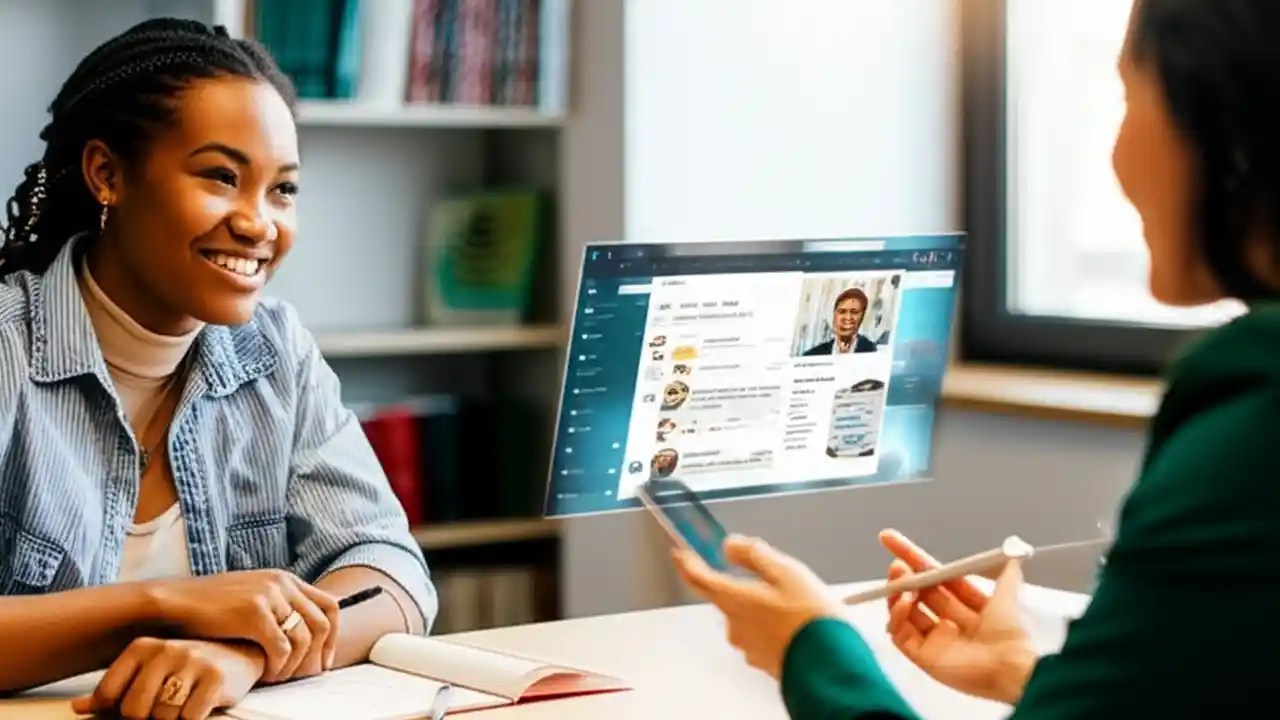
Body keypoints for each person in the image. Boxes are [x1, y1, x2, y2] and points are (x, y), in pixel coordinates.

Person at [675, 0, 1280, 716]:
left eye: (1127, 96)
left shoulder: (1254, 424)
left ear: (1223, 109)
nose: (1116, 159)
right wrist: (1031, 676)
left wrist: (811, 647)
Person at [0, 18, 435, 719]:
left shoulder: (276, 351)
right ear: (107, 174)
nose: (259, 224)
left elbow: (391, 571)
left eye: (282, 190)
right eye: (222, 177)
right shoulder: (8, 346)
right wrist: (167, 607)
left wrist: (245, 655)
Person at [802, 288, 876, 356]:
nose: (848, 317)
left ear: (862, 316)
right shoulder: (812, 355)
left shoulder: (873, 353)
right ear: (834, 315)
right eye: (842, 311)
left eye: (854, 312)